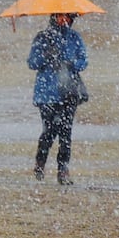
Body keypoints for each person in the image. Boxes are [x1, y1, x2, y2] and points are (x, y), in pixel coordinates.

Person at [27, 12, 88, 185]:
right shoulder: (42, 37)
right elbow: (32, 62)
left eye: (67, 18)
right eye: (60, 17)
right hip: (47, 94)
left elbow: (83, 61)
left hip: (69, 92)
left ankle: (63, 171)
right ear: (53, 18)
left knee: (66, 133)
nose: (63, 21)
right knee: (49, 131)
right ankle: (41, 162)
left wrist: (71, 63)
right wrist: (46, 56)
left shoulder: (74, 37)